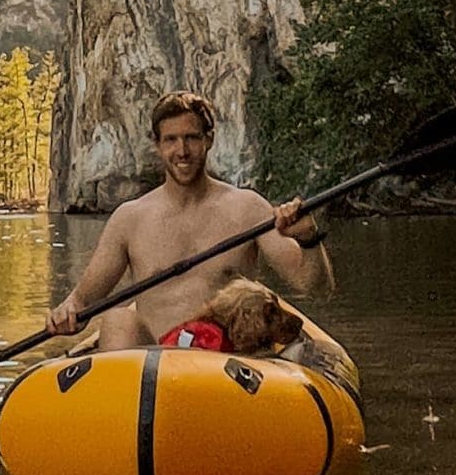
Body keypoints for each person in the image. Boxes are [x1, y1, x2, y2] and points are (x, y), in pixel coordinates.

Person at [46, 89, 333, 351]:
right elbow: (83, 300)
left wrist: (308, 238)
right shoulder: (129, 218)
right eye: (170, 139)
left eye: (191, 138)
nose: (181, 151)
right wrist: (68, 311)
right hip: (157, 367)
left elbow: (316, 288)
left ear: (208, 140)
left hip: (226, 366)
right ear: (157, 145)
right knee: (118, 320)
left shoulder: (248, 208)